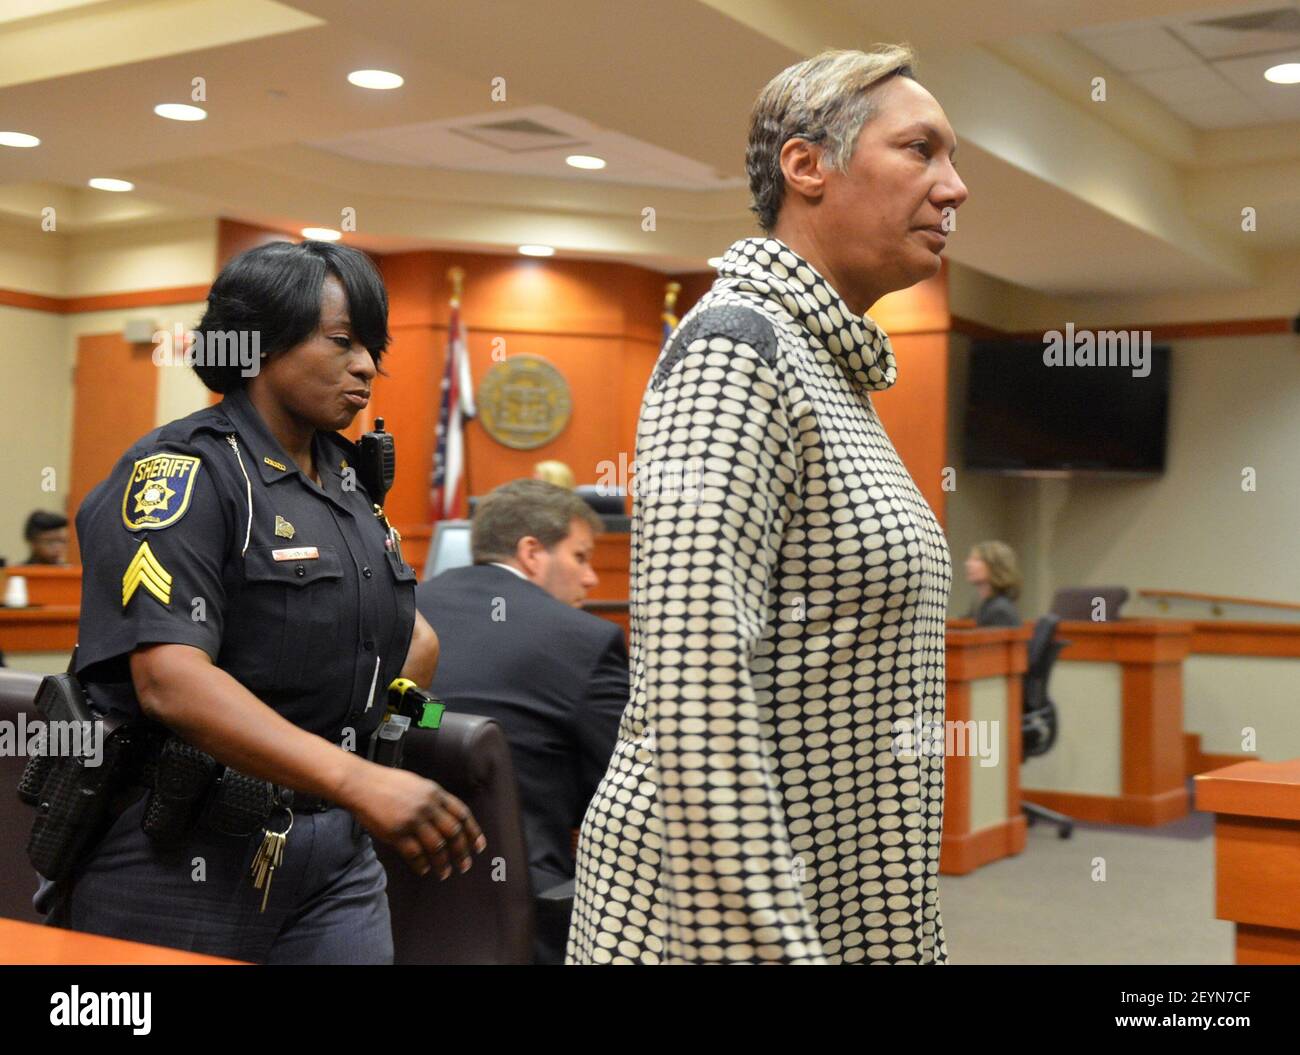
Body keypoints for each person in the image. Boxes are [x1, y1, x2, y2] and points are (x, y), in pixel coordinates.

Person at [567, 44, 968, 964]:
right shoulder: (734, 348)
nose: (955, 187)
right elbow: (695, 695)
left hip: (837, 890)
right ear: (806, 166)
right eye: (922, 150)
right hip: (714, 926)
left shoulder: (827, 366)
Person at [38, 240, 484, 964]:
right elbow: (171, 680)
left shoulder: (348, 482)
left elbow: (410, 638)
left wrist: (413, 721)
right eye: (342, 341)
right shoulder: (182, 474)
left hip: (335, 853)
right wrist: (359, 775)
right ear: (259, 343)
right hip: (183, 852)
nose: (366, 366)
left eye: (373, 347)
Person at [415, 478, 628, 964]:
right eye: (580, 557)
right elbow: (621, 790)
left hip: (389, 898)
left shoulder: (403, 608)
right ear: (532, 552)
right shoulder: (585, 641)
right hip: (529, 914)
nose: (592, 577)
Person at [964, 540, 1023, 627]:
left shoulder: (1000, 611)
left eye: (976, 559)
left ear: (995, 566)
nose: (968, 564)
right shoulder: (983, 605)